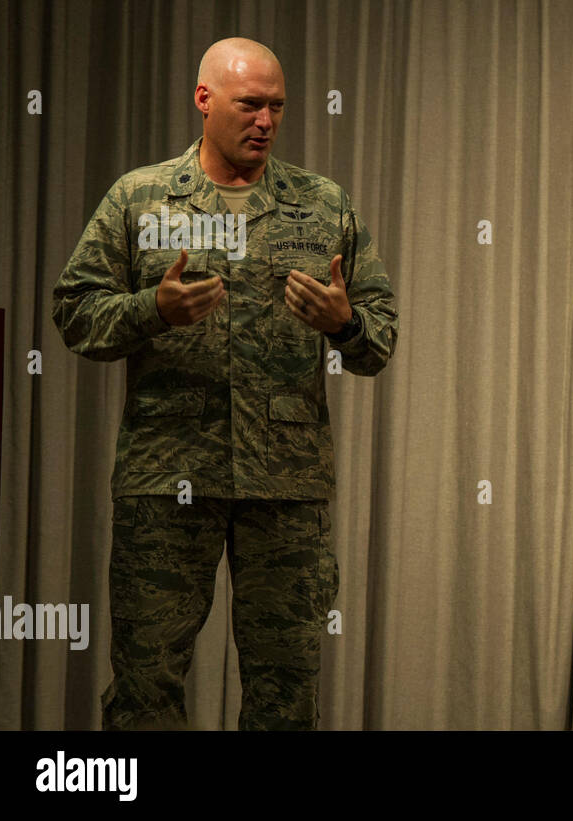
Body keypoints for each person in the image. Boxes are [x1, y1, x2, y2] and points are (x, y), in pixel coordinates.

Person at [51, 37, 398, 730]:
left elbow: (380, 339)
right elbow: (74, 312)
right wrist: (153, 309)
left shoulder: (322, 205)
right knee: (146, 687)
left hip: (287, 487)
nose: (266, 121)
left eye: (277, 107)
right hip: (167, 475)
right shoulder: (142, 198)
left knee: (286, 692)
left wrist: (344, 323)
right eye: (250, 104)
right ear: (204, 100)